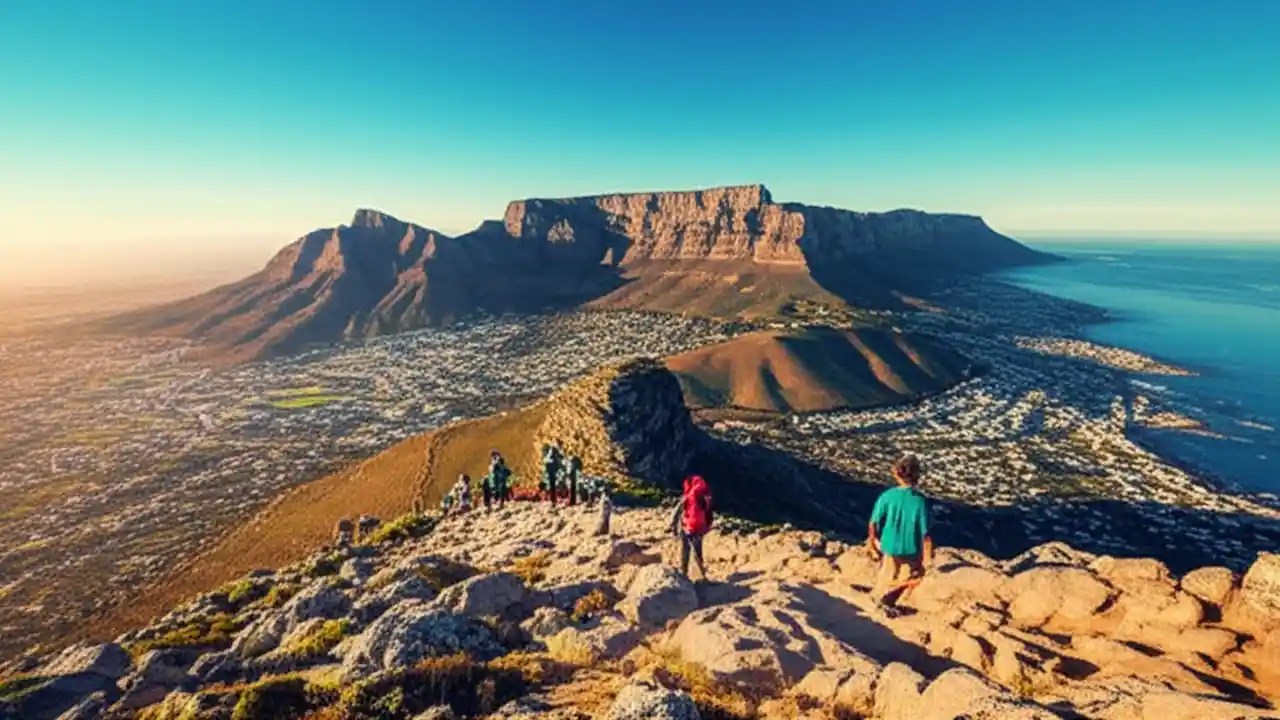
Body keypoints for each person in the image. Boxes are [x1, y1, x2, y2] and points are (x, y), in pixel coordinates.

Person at [867, 454, 933, 614]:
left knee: (888, 573)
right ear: (917, 476)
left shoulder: (887, 496)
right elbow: (926, 535)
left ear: (896, 473)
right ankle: (891, 598)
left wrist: (871, 542)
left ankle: (879, 596)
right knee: (916, 576)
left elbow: (873, 522)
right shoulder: (920, 501)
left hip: (889, 545)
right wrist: (928, 559)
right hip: (911, 548)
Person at [670, 474, 713, 580]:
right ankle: (702, 576)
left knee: (685, 550)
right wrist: (706, 528)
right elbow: (709, 514)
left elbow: (675, 513)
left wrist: (673, 528)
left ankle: (684, 574)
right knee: (698, 552)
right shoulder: (704, 497)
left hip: (686, 527)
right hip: (699, 528)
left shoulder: (687, 497)